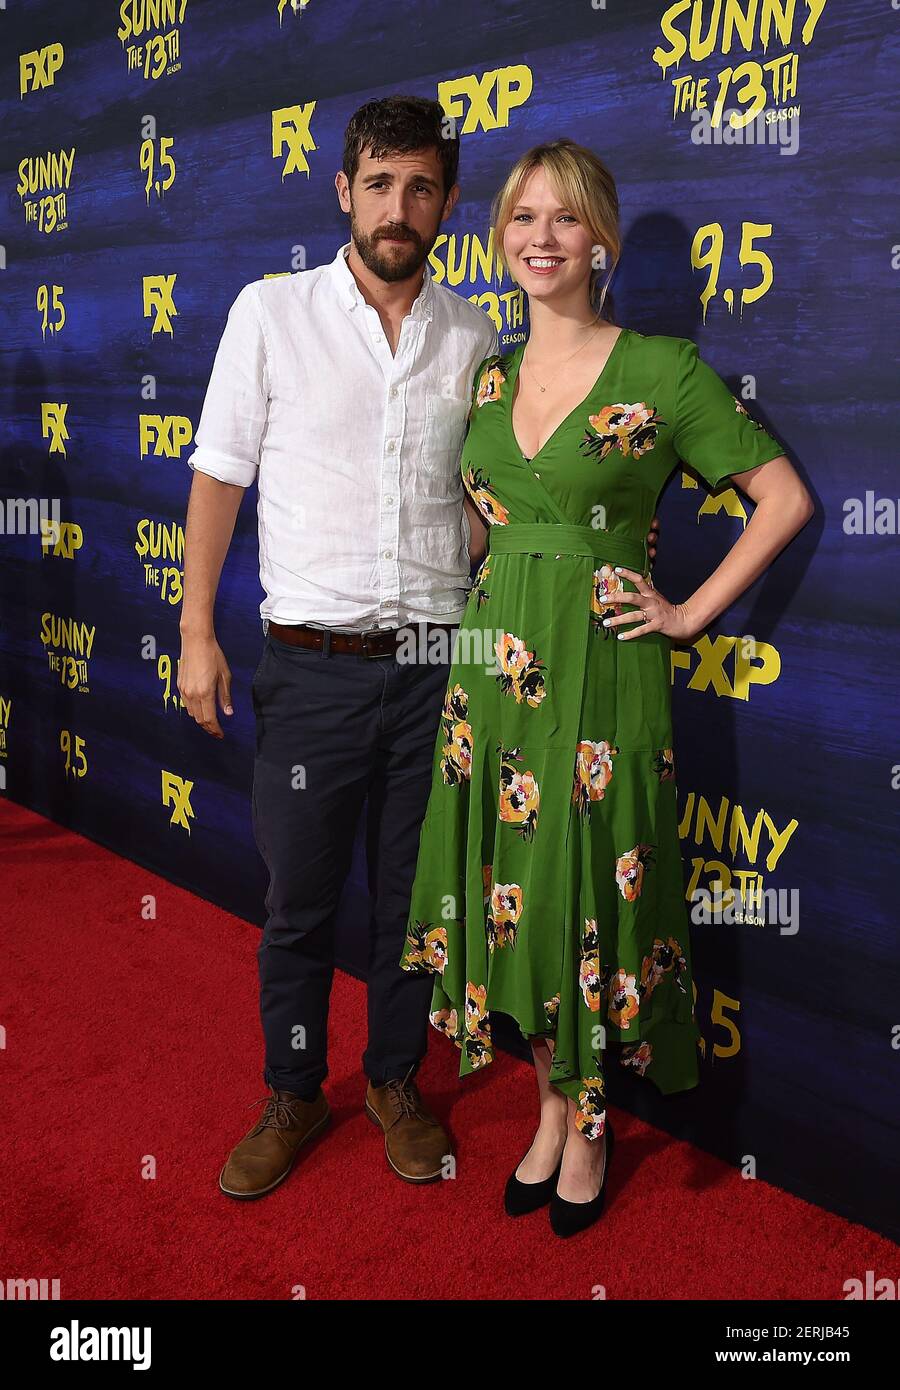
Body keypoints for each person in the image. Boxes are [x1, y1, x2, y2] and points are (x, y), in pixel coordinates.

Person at [177, 94, 665, 1200]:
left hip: (445, 668)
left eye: (424, 187)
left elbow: (494, 495)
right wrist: (194, 628)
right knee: (299, 898)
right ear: (343, 190)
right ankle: (294, 1092)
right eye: (380, 184)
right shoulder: (270, 313)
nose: (401, 207)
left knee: (417, 904)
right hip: (307, 665)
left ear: (448, 203)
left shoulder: (474, 338)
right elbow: (217, 477)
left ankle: (396, 1079)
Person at [399, 137, 814, 1237]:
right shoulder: (489, 373)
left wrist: (683, 612)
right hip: (494, 670)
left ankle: (590, 1125)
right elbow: (495, 517)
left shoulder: (663, 371)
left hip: (604, 664)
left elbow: (782, 500)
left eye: (565, 219)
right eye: (524, 217)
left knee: (588, 886)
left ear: (602, 242)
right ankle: (547, 1106)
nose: (542, 238)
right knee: (516, 895)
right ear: (503, 238)